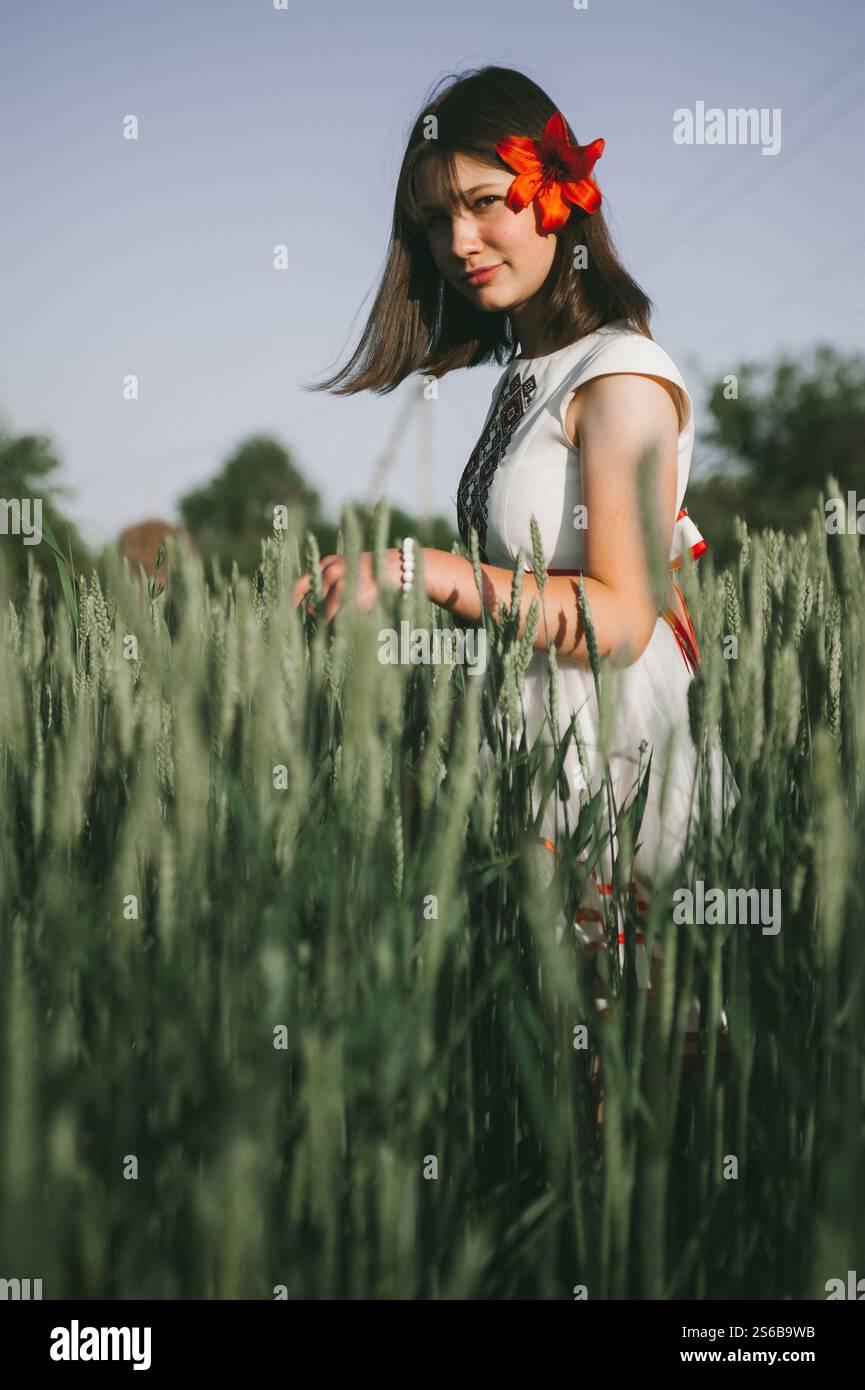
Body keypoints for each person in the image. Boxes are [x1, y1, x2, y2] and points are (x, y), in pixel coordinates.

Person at [293, 65, 739, 1067]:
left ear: (560, 198)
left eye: (485, 203)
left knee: (623, 1096)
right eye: (433, 219)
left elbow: (624, 617)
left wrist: (430, 573)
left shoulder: (618, 373)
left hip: (620, 779)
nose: (456, 243)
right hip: (543, 761)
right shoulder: (534, 374)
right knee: (558, 1083)